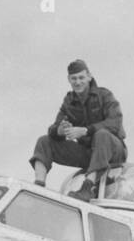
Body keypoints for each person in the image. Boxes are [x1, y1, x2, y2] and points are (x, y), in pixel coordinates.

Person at [30, 60, 127, 202]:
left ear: (89, 77)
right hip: (89, 154)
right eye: (74, 78)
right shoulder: (69, 102)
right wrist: (59, 131)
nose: (78, 82)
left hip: (114, 152)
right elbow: (53, 128)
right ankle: (38, 186)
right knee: (44, 140)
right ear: (69, 80)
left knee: (102, 135)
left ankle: (87, 188)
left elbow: (115, 122)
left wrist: (86, 130)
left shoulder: (104, 95)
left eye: (81, 78)